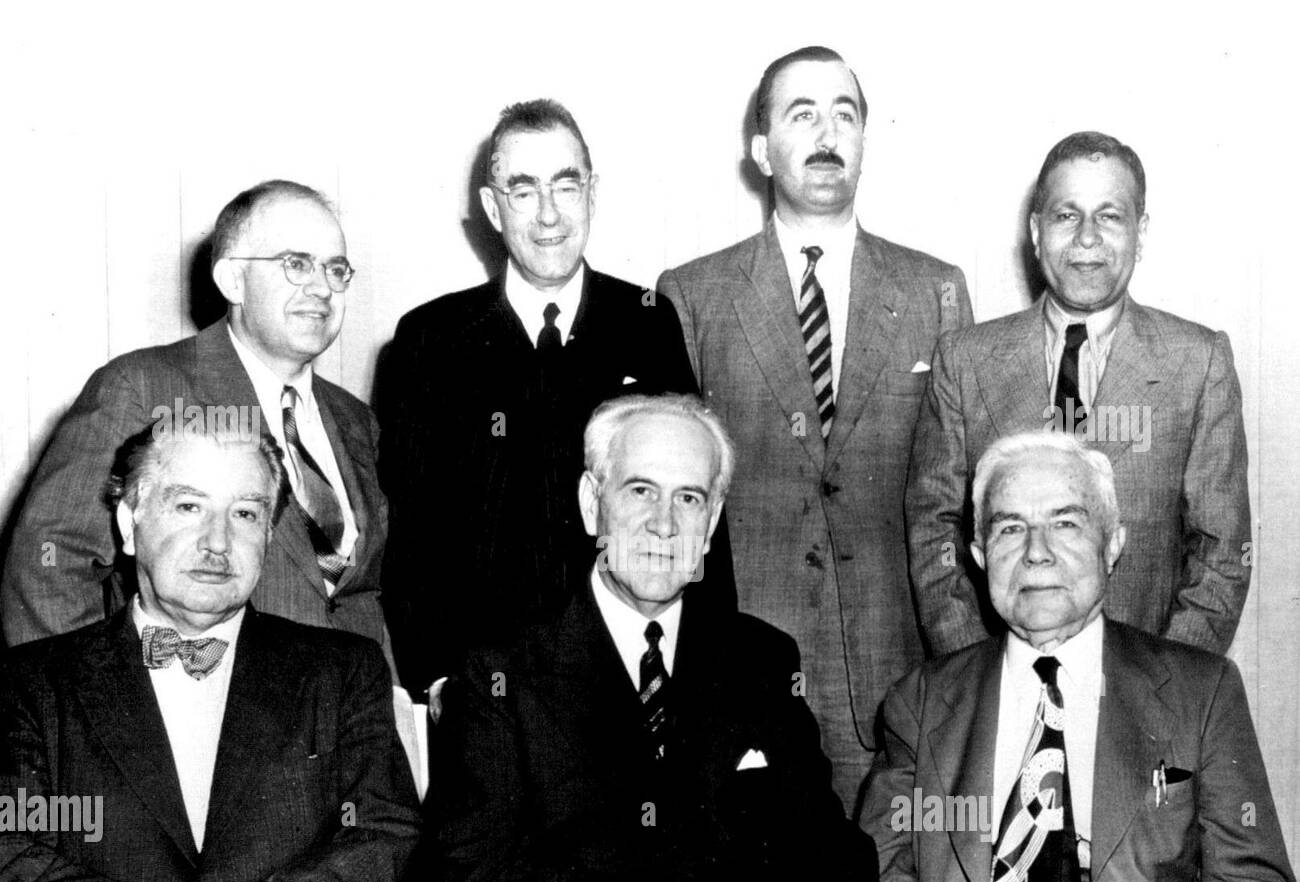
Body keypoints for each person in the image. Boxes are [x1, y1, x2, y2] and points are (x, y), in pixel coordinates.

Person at [437, 394, 877, 882]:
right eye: (639, 490)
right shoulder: (500, 675)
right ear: (592, 503)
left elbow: (826, 851)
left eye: (690, 498)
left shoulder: (760, 661)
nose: (664, 523)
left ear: (711, 524)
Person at [862, 430, 1299, 882]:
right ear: (978, 556)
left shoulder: (1198, 688)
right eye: (1010, 527)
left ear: (1113, 543)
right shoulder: (921, 702)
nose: (1036, 551)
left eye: (1065, 522)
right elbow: (884, 871)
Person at [0, 421, 421, 882]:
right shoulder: (34, 686)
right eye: (188, 505)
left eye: (246, 513)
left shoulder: (339, 672)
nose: (218, 541)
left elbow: (380, 836)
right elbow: (11, 848)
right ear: (128, 524)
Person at [659, 46, 972, 812]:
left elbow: (961, 496)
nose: (826, 132)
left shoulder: (934, 291)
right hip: (749, 673)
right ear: (761, 149)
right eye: (801, 114)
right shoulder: (692, 296)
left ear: (865, 140)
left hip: (903, 666)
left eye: (844, 114)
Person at [377, 99, 730, 706]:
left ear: (593, 192)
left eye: (566, 186)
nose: (548, 215)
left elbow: (698, 515)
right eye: (523, 190)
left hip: (616, 678)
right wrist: (433, 679)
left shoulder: (645, 323)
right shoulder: (430, 339)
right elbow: (410, 535)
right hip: (482, 685)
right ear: (492, 207)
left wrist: (705, 672)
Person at [2, 179, 393, 671]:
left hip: (348, 716)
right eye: (296, 264)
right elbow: (48, 564)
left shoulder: (355, 421)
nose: (321, 287)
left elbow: (362, 594)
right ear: (232, 280)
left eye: (336, 269)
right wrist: (96, 711)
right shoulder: (142, 387)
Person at [908, 131, 1250, 658]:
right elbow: (934, 536)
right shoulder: (964, 359)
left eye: (1109, 216)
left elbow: (1222, 553)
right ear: (1036, 232)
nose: (1087, 237)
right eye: (1067, 215)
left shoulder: (1198, 363)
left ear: (1141, 233)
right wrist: (977, 677)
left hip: (1144, 695)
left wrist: (1165, 689)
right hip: (997, 681)